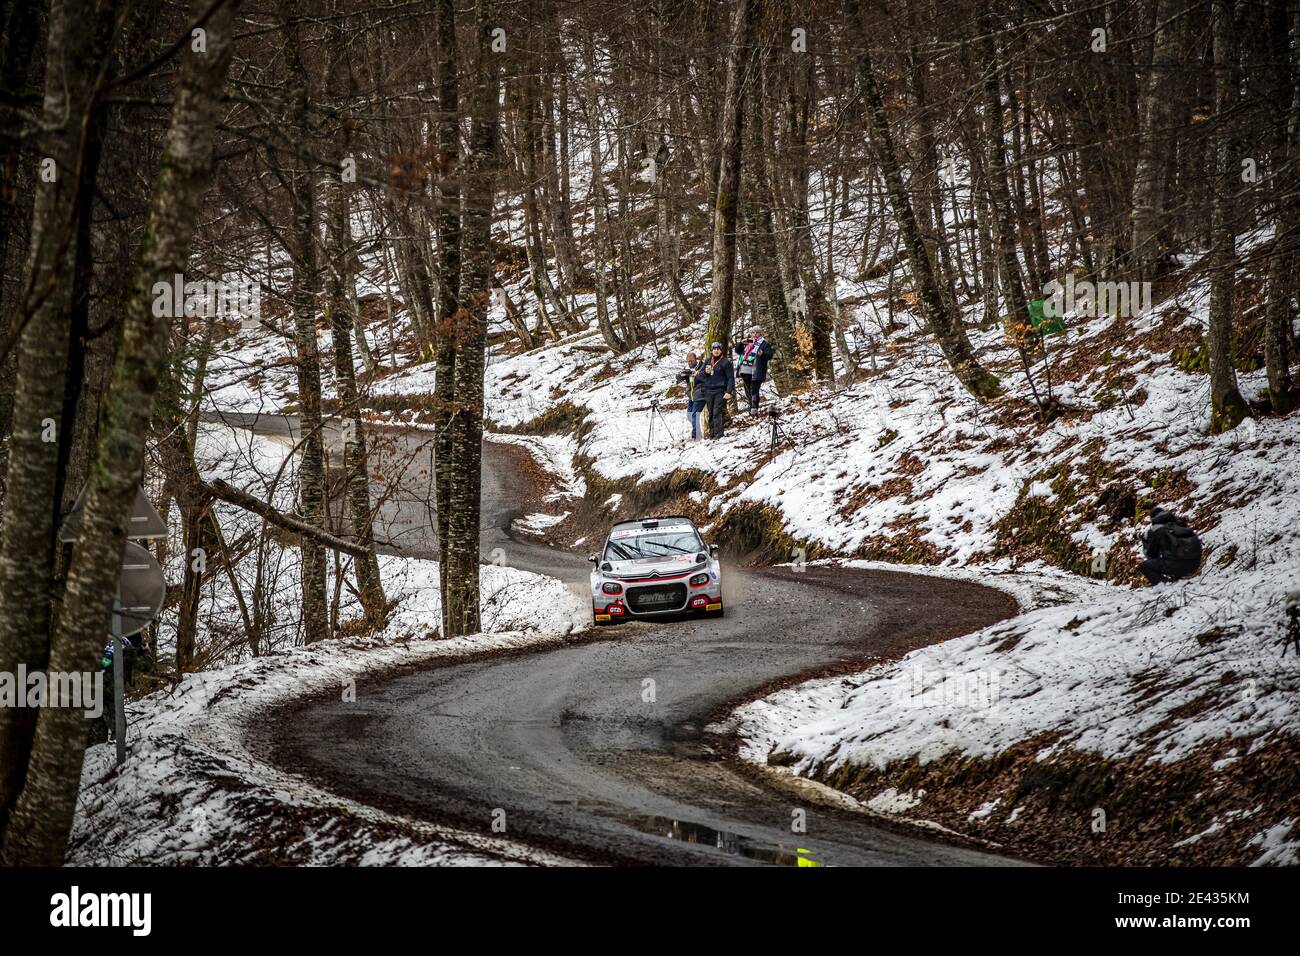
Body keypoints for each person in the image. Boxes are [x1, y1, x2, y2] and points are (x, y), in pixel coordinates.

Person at [1138, 509, 1202, 584]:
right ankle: (1178, 576)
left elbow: (1152, 554)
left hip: (1178, 565)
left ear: (1153, 519)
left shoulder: (1157, 530)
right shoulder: (1179, 524)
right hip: (1195, 563)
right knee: (1173, 556)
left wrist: (1145, 542)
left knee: (1144, 566)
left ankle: (1164, 584)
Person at [694, 342, 735, 439]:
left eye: (718, 348)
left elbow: (730, 378)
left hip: (720, 390)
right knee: (711, 412)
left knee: (717, 412)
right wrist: (705, 372)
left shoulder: (725, 362)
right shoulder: (708, 361)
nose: (716, 350)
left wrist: (729, 391)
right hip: (708, 390)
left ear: (721, 350)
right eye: (714, 349)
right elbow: (701, 377)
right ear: (711, 350)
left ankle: (719, 434)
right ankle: (712, 434)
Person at [734, 327, 774, 413]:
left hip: (757, 370)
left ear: (760, 334)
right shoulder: (748, 342)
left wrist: (762, 354)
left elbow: (769, 355)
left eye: (757, 333)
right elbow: (737, 351)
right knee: (747, 389)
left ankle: (754, 408)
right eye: (753, 333)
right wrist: (741, 343)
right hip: (745, 369)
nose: (754, 334)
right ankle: (750, 406)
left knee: (754, 389)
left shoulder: (764, 344)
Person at [677, 351, 706, 440]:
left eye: (692, 361)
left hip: (701, 394)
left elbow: (705, 377)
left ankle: (697, 436)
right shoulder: (688, 369)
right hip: (691, 396)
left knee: (694, 415)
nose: (690, 363)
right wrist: (680, 375)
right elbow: (678, 379)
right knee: (689, 415)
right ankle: (696, 433)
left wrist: (696, 374)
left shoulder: (702, 366)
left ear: (696, 360)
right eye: (688, 361)